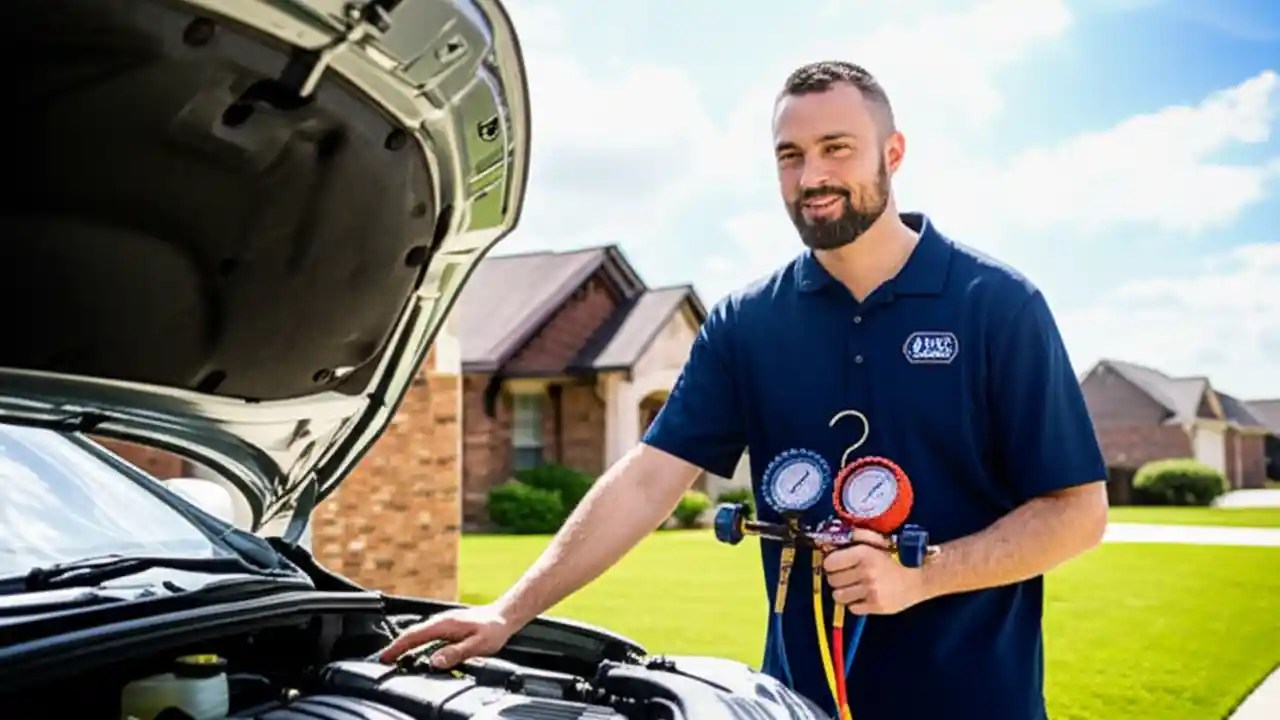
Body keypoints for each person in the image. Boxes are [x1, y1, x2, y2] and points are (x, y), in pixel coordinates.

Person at [379, 60, 1110, 720]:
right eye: (789, 157)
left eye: (836, 149)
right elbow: (647, 480)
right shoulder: (748, 322)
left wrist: (923, 578)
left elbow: (1076, 512)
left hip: (975, 703)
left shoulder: (996, 305)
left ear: (894, 154)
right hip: (791, 706)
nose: (810, 176)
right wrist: (508, 612)